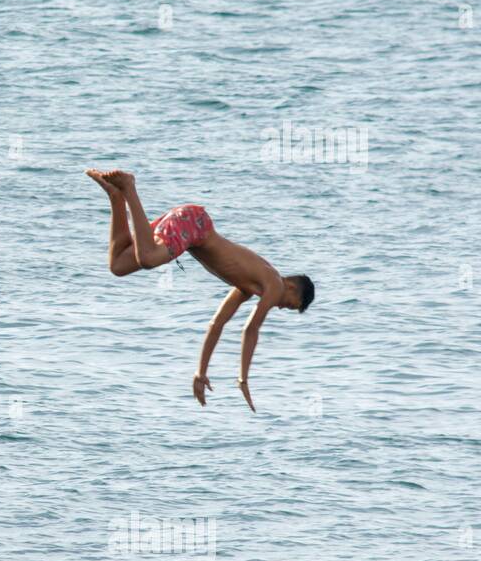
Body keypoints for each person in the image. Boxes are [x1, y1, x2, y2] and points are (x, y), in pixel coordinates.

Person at [86, 168, 315, 411]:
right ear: (291, 285)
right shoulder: (274, 284)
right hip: (194, 226)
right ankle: (129, 187)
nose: (280, 306)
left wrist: (200, 372)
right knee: (148, 258)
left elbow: (216, 325)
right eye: (289, 303)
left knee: (119, 265)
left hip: (192, 225)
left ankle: (116, 196)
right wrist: (243, 379)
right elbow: (251, 330)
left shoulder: (247, 286)